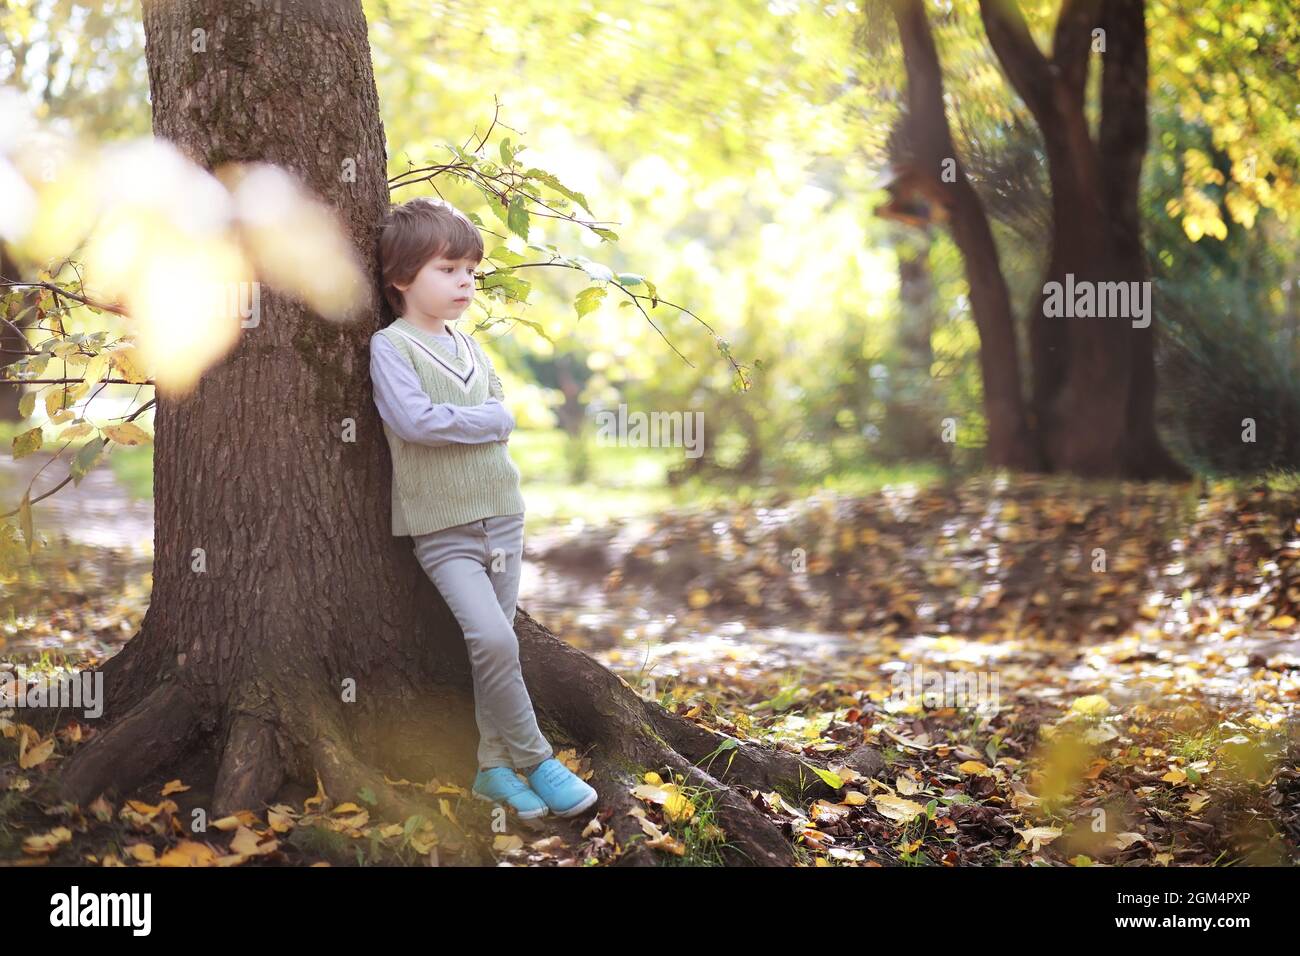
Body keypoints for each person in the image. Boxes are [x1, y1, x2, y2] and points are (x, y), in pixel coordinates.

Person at [369, 196, 598, 821]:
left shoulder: (470, 347)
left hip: (502, 513)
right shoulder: (392, 348)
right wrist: (487, 421)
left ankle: (493, 771)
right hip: (442, 527)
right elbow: (416, 421)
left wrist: (481, 421)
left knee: (497, 649)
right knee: (494, 639)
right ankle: (537, 758)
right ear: (401, 278)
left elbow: (501, 415)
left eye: (470, 269)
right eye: (448, 269)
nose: (465, 281)